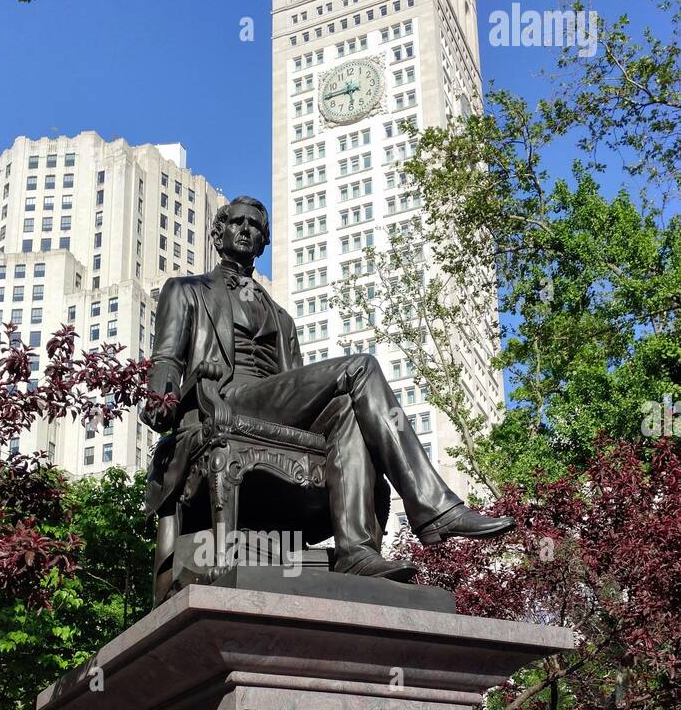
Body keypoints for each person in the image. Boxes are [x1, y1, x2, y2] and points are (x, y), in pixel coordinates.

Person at [142, 197, 514, 586]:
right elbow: (165, 359)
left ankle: (356, 550)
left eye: (255, 226)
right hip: (225, 399)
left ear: (262, 242)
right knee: (361, 367)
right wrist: (161, 401)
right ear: (219, 233)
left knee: (350, 415)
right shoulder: (185, 290)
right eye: (238, 222)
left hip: (272, 403)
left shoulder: (281, 318)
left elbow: (293, 380)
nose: (247, 230)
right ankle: (434, 508)